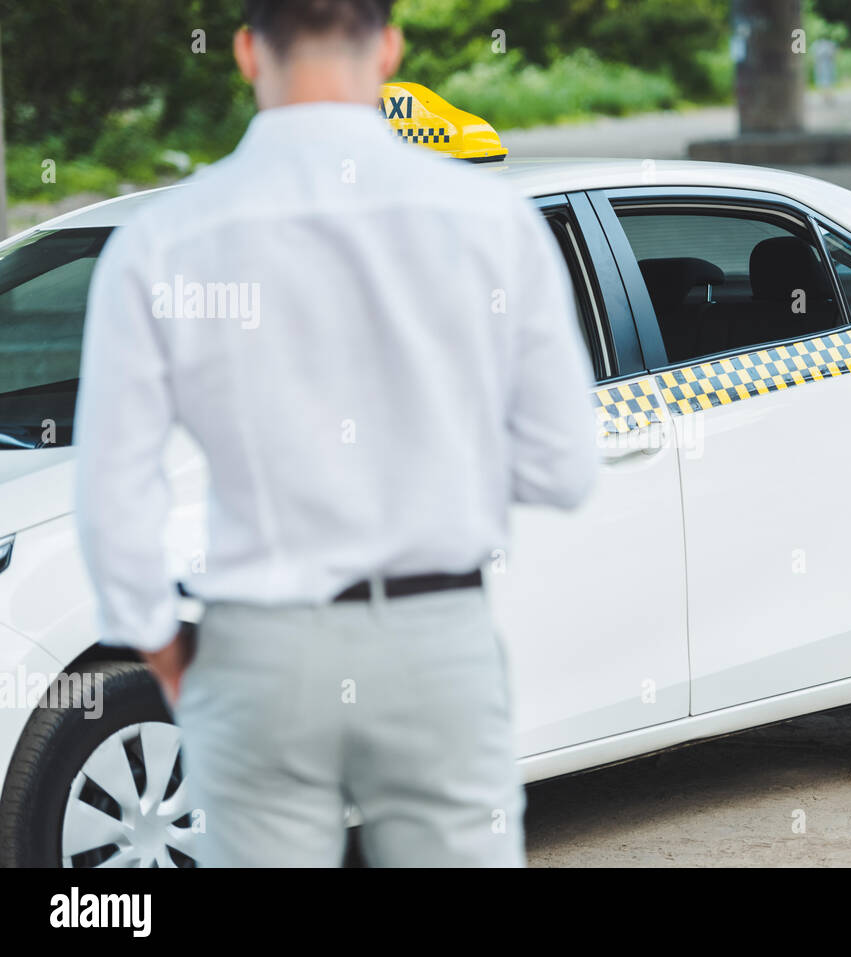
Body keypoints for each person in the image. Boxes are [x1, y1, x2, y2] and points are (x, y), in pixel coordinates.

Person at [73, 0, 597, 867]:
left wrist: (166, 653)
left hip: (256, 651)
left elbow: (112, 492)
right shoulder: (491, 222)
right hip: (436, 643)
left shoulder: (161, 241)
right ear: (388, 46)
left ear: (247, 52)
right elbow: (566, 466)